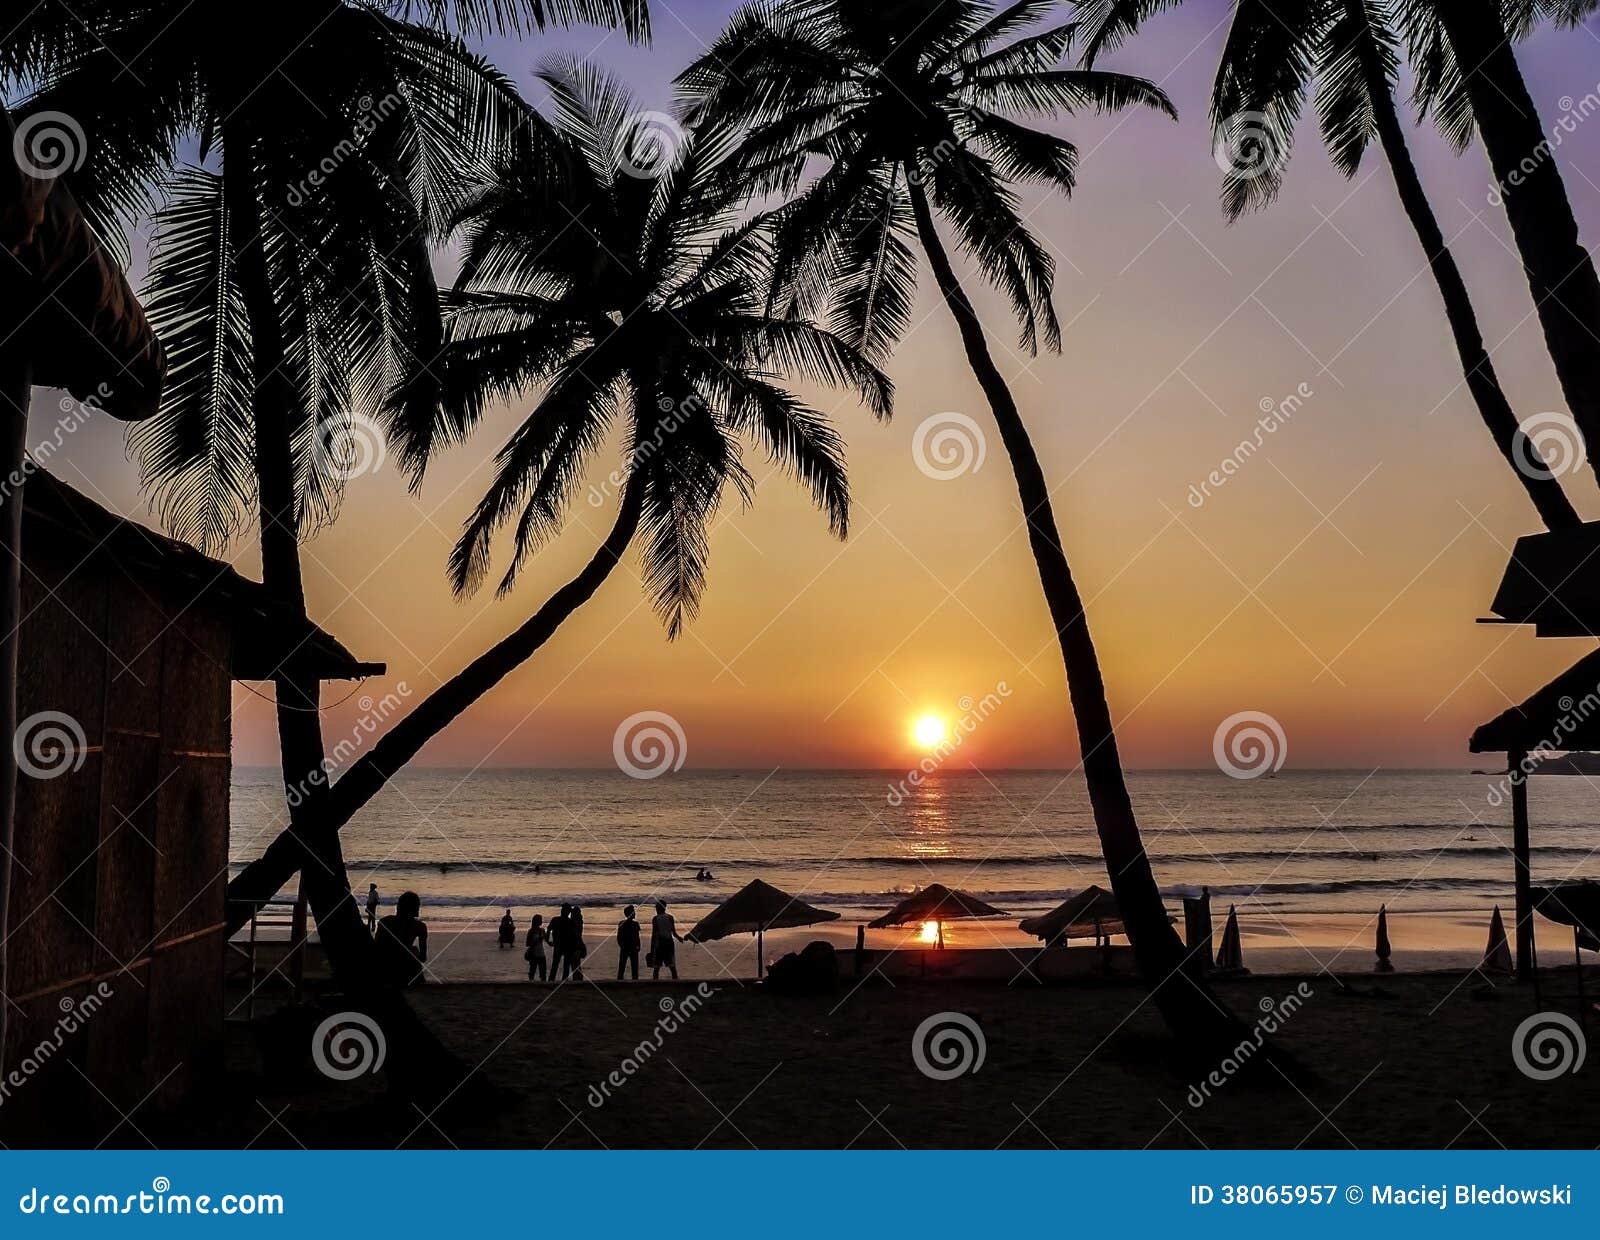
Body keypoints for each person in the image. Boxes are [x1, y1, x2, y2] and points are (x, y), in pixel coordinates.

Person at [375, 891, 428, 987]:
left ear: (398, 907)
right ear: (415, 908)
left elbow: (376, 948)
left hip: (386, 969)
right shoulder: (420, 926)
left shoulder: (384, 922)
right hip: (408, 970)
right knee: (413, 951)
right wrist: (413, 951)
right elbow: (423, 958)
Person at [650, 900, 682, 981]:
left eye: (656, 907)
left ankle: (655, 984)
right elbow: (674, 933)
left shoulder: (655, 919)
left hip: (659, 944)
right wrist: (679, 938)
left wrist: (652, 949)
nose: (656, 909)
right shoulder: (670, 917)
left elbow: (654, 935)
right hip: (669, 943)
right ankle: (675, 983)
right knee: (672, 966)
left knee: (656, 968)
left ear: (659, 908)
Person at [616, 906, 641, 980]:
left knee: (624, 966)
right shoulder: (635, 924)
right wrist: (638, 945)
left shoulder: (624, 923)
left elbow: (619, 937)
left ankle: (620, 981)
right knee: (632, 967)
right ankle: (633, 981)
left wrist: (622, 945)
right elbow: (637, 937)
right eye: (633, 912)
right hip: (630, 947)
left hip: (627, 947)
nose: (635, 913)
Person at [547, 904, 572, 981]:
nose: (562, 911)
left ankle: (552, 980)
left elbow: (548, 930)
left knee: (557, 965)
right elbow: (548, 930)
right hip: (564, 945)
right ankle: (561, 981)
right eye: (562, 909)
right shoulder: (569, 922)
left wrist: (548, 941)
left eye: (563, 909)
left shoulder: (556, 920)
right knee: (564, 965)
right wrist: (548, 941)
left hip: (561, 945)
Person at [524, 914, 547, 982]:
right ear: (536, 921)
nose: (541, 921)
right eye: (540, 920)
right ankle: (531, 986)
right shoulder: (531, 931)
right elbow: (527, 944)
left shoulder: (542, 930)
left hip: (541, 954)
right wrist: (537, 940)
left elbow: (547, 940)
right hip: (533, 954)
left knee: (543, 974)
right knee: (532, 972)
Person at [570, 905, 586, 980]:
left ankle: (577, 978)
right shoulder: (579, 922)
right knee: (576, 963)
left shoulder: (575, 923)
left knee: (575, 963)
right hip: (578, 944)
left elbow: (576, 935)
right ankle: (578, 978)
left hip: (575, 945)